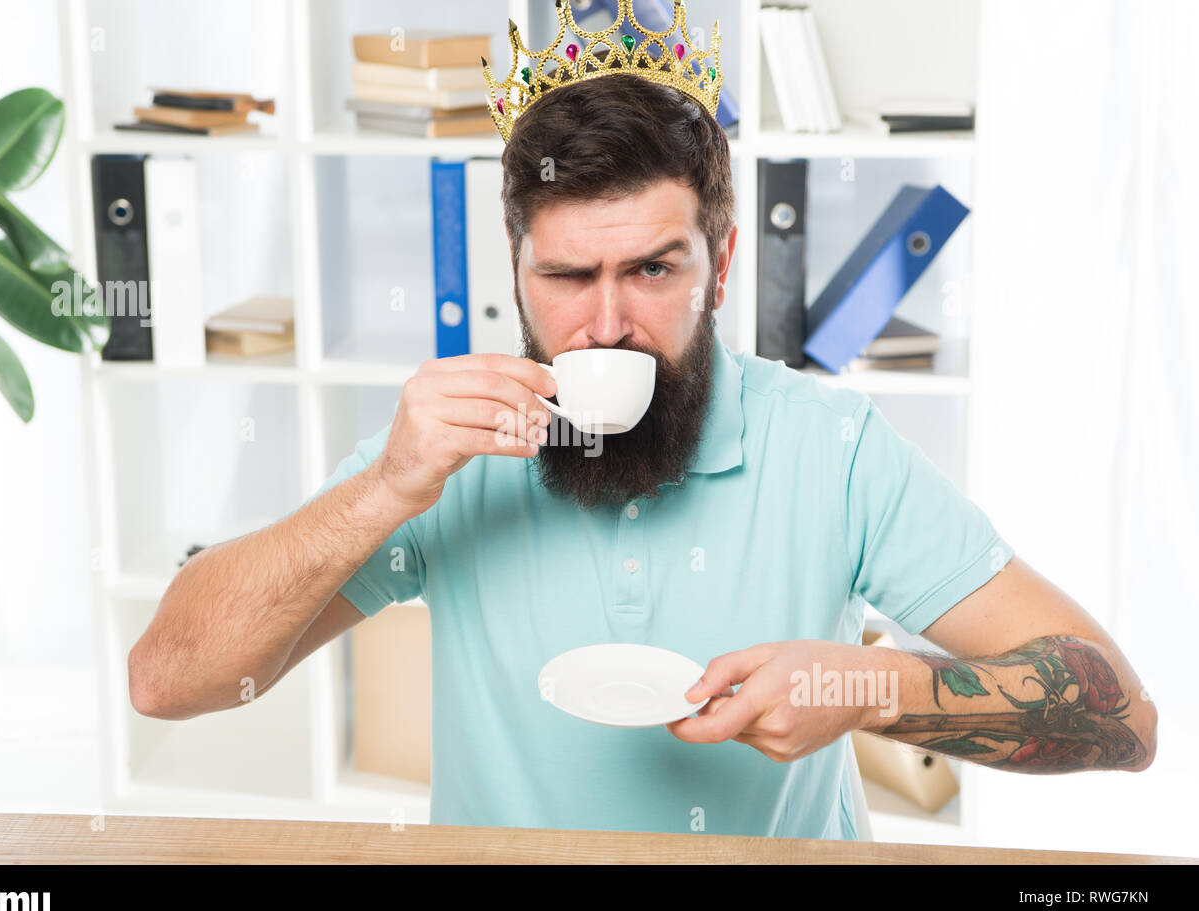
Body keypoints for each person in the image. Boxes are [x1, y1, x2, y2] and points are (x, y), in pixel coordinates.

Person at [128, 62, 1157, 840]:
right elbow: (169, 682)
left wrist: (864, 688)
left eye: (653, 269)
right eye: (568, 276)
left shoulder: (830, 448)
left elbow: (1121, 711)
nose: (608, 325)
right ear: (516, 268)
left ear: (720, 262)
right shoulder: (446, 450)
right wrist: (383, 489)